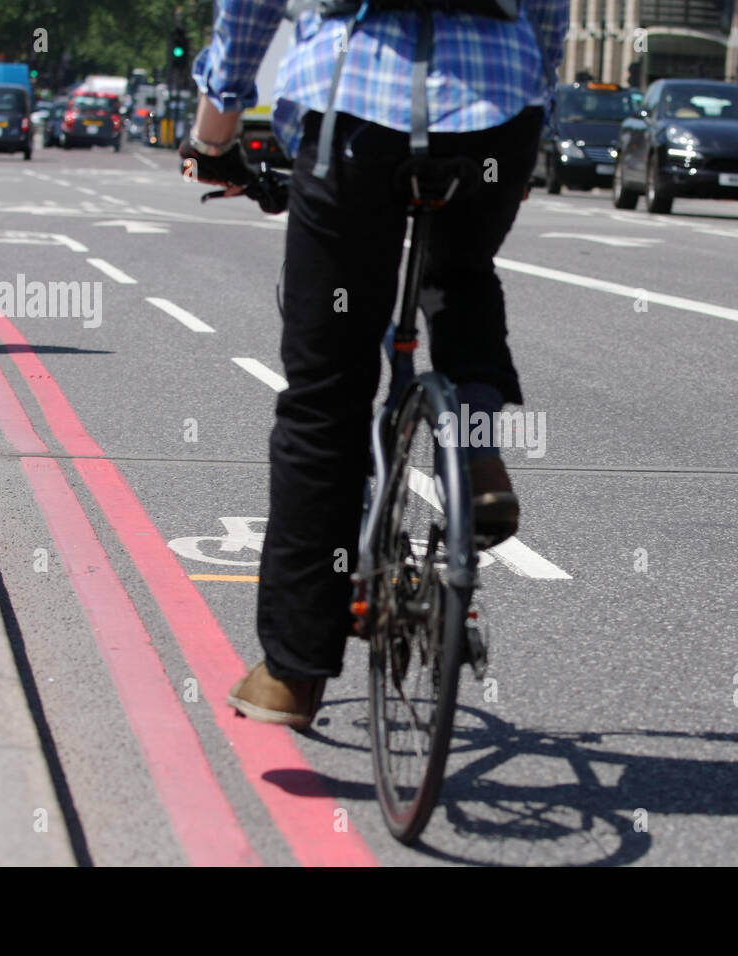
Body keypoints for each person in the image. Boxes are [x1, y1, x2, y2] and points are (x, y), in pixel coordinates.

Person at [185, 0, 567, 727]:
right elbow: (549, 10)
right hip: (497, 111)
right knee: (461, 273)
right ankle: (478, 457)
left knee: (324, 392)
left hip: (354, 109)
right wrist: (534, 109)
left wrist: (216, 130)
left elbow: (250, 9)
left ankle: (293, 672)